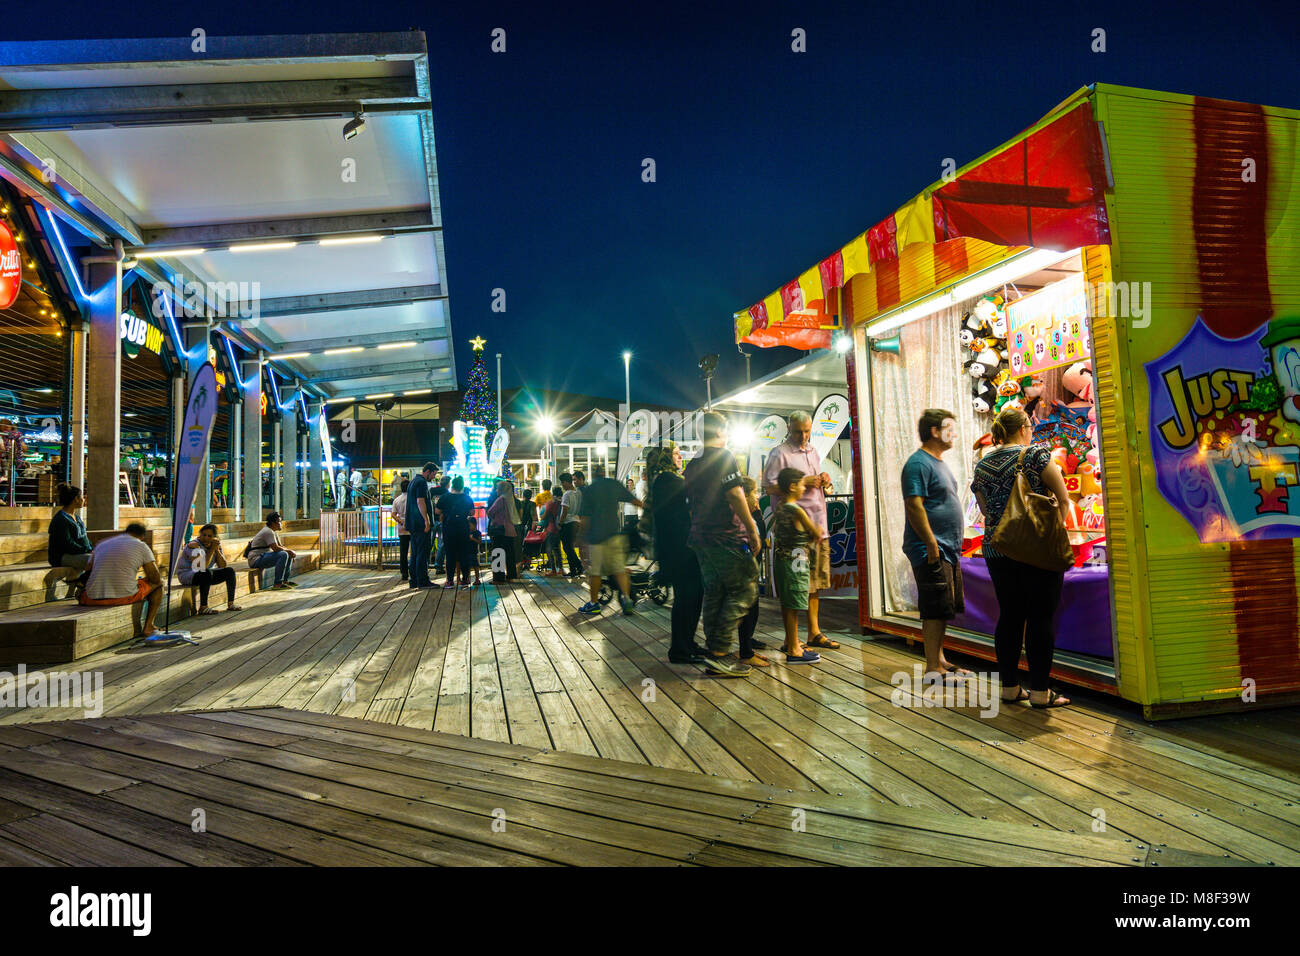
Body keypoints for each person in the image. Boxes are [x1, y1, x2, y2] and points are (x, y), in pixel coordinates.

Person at [972, 405, 1073, 709]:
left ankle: (1009, 688)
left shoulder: (983, 464)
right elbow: (1063, 499)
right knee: (1041, 616)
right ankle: (1041, 692)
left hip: (998, 548)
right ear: (1024, 428)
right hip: (1036, 548)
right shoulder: (1035, 455)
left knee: (1010, 615)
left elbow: (986, 510)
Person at [684, 412, 761, 677]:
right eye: (726, 429)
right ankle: (719, 651)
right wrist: (752, 529)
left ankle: (715, 653)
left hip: (700, 537)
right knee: (745, 589)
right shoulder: (723, 457)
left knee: (715, 592)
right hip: (725, 535)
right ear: (719, 431)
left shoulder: (693, 463)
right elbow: (736, 493)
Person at [901, 409, 970, 683]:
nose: (954, 433)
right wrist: (930, 542)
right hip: (932, 547)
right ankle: (932, 667)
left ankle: (940, 659)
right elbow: (913, 504)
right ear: (934, 431)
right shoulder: (918, 464)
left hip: (947, 548)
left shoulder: (938, 462)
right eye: (949, 427)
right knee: (934, 606)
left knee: (943, 607)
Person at [763, 411, 839, 652]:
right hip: (795, 530)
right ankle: (792, 639)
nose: (803, 436)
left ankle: (814, 632)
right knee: (795, 582)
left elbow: (816, 481)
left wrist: (824, 479)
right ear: (789, 427)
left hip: (818, 524)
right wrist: (805, 482)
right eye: (798, 431)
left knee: (815, 581)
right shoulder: (780, 453)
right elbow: (768, 487)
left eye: (807, 431)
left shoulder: (813, 450)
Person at [648, 444, 707, 663]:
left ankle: (688, 643)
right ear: (665, 458)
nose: (680, 456)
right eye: (675, 454)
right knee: (686, 597)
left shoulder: (665, 480)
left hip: (679, 546)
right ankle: (680, 649)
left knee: (693, 595)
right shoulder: (666, 479)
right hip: (678, 548)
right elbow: (691, 493)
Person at [770, 468, 824, 664]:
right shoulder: (797, 511)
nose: (804, 488)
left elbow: (777, 530)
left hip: (781, 560)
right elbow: (815, 533)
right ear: (793, 487)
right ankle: (794, 649)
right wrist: (817, 528)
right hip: (796, 561)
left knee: (787, 603)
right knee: (794, 604)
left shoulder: (781, 508)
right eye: (802, 485)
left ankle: (790, 641)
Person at [577, 464, 642, 615]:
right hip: (615, 534)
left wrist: (581, 538)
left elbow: (585, 518)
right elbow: (635, 501)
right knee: (619, 569)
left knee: (596, 572)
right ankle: (627, 599)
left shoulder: (590, 490)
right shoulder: (614, 484)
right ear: (604, 473)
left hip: (596, 537)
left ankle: (594, 603)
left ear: (593, 475)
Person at [79, 523, 163, 636]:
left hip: (91, 598)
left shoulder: (101, 544)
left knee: (79, 592)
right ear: (142, 536)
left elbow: (87, 572)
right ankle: (148, 626)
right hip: (124, 597)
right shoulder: (141, 545)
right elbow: (155, 578)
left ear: (126, 532)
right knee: (159, 585)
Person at [735, 476, 772, 667]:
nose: (757, 496)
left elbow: (762, 534)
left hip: (750, 570)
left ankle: (746, 645)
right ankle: (744, 651)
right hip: (743, 569)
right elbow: (758, 537)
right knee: (747, 609)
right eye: (754, 493)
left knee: (752, 609)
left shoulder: (750, 516)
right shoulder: (741, 518)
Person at [178, 523, 241, 614]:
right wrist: (211, 550)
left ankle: (231, 604)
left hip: (205, 574)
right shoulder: (194, 545)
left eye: (209, 536)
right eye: (204, 535)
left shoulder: (214, 545)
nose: (206, 538)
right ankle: (203, 607)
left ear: (214, 537)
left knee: (229, 571)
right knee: (206, 572)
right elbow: (201, 567)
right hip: (187, 574)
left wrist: (216, 550)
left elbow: (222, 566)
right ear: (200, 534)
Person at [48, 483, 93, 588]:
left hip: (77, 553)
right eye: (81, 497)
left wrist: (91, 548)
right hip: (62, 556)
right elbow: (67, 544)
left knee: (101, 556)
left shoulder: (76, 517)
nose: (84, 499)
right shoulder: (61, 519)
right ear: (75, 499)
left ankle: (82, 581)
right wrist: (86, 549)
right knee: (97, 560)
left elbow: (84, 538)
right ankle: (83, 582)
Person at [437, 475, 477, 589]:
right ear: (462, 486)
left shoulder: (445, 497)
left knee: (450, 554)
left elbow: (437, 510)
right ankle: (465, 579)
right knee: (464, 553)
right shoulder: (467, 498)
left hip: (449, 527)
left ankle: (449, 580)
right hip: (463, 527)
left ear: (453, 485)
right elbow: (472, 512)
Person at [247, 511, 298, 590]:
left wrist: (290, 551)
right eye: (279, 521)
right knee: (283, 554)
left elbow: (280, 546)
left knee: (287, 553)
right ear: (272, 523)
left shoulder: (273, 532)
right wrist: (289, 551)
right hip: (255, 559)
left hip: (263, 557)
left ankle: (285, 581)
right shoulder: (268, 532)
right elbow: (275, 548)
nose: (281, 523)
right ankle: (277, 583)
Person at [405, 462, 436, 589]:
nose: (433, 477)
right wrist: (426, 520)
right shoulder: (422, 482)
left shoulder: (413, 481)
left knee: (415, 553)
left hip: (412, 523)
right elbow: (420, 501)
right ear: (428, 471)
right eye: (433, 474)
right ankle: (423, 580)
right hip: (420, 523)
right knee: (423, 553)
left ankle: (414, 580)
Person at [486, 479, 520, 583]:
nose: (496, 490)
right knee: (509, 553)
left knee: (498, 553)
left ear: (501, 489)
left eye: (498, 488)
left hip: (500, 529)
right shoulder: (511, 499)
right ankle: (511, 575)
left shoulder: (501, 499)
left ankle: (498, 578)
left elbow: (491, 512)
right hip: (510, 530)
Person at [557, 472, 584, 577]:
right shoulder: (578, 493)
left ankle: (578, 566)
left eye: (562, 483)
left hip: (568, 522)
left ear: (566, 482)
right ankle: (574, 570)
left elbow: (565, 510)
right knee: (570, 547)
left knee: (567, 547)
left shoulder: (567, 494)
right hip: (576, 521)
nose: (562, 485)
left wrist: (560, 523)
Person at [430, 474, 450, 575]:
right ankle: (439, 566)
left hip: (432, 520)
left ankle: (424, 565)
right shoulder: (447, 493)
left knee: (429, 543)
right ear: (448, 484)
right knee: (442, 544)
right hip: (442, 520)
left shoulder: (432, 491)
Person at [392, 478, 411, 581]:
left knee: (403, 551)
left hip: (401, 528)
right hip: (412, 527)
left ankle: (404, 573)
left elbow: (393, 515)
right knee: (415, 550)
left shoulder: (397, 500)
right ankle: (414, 570)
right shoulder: (412, 499)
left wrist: (401, 522)